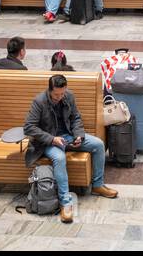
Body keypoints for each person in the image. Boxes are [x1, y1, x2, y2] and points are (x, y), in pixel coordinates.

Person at [24, 74, 118, 221]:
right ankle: (65, 203)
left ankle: (98, 185)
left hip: (68, 136)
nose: (59, 97)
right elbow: (29, 127)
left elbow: (75, 118)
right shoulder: (39, 101)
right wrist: (52, 139)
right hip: (48, 141)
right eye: (56, 94)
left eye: (62, 93)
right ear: (49, 90)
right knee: (60, 158)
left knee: (99, 145)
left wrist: (78, 135)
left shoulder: (69, 96)